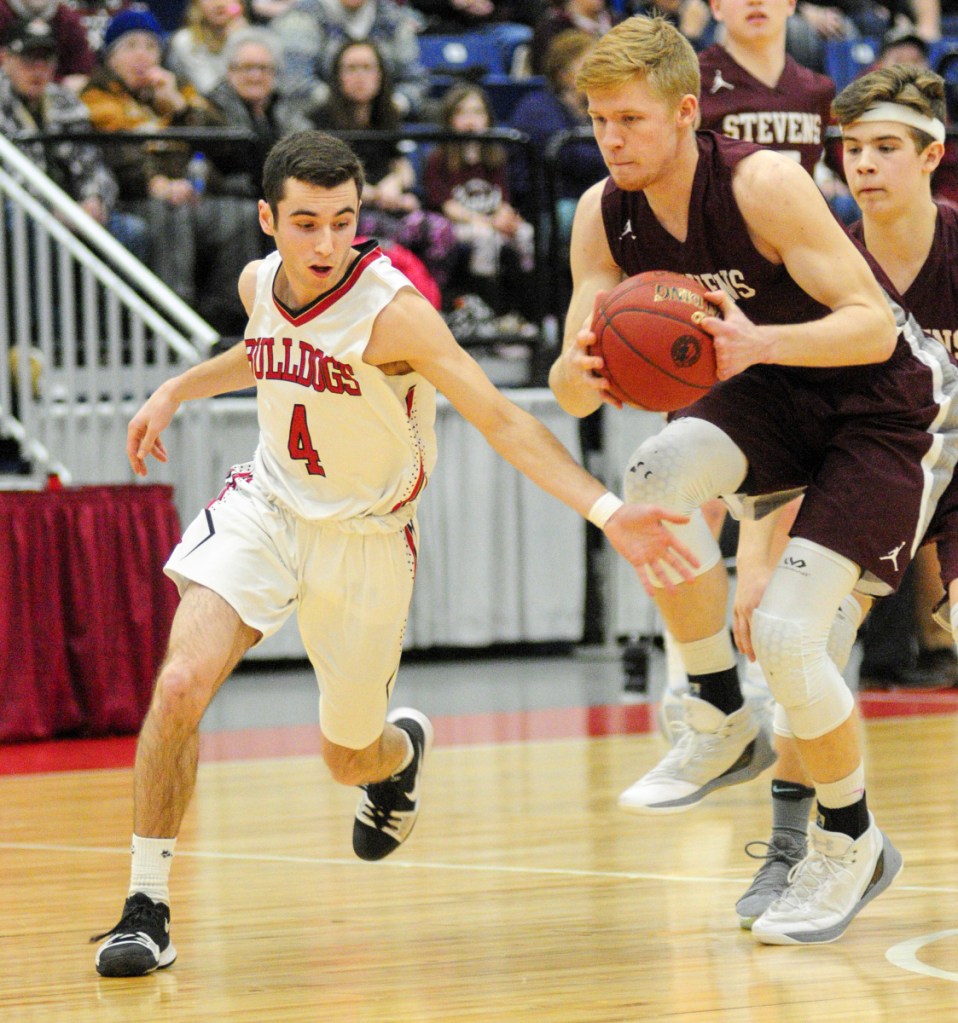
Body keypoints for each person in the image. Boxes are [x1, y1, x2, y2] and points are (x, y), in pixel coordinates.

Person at [89, 127, 697, 978]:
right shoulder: (258, 279)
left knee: (348, 756)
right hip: (267, 503)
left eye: (343, 220)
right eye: (305, 222)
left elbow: (502, 420)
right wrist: (176, 387)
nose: (327, 243)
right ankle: (144, 907)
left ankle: (398, 755)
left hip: (366, 539)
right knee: (182, 681)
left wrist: (608, 510)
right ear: (267, 218)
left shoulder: (394, 313)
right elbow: (263, 350)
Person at [551, 16, 958, 944]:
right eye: (598, 120)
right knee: (649, 476)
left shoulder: (762, 182)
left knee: (786, 635)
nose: (612, 139)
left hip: (881, 410)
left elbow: (872, 323)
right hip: (773, 393)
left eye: (630, 120)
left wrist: (755, 341)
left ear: (688, 112)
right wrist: (583, 366)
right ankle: (716, 707)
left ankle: (850, 840)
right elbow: (570, 389)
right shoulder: (599, 212)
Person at [732, 61, 958, 928]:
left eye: (886, 147)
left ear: (933, 155)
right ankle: (803, 844)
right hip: (865, 473)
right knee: (802, 644)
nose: (864, 163)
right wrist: (755, 561)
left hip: (954, 470)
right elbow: (771, 428)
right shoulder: (824, 260)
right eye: (852, 147)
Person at [81, 5, 263, 335]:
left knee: (240, 215)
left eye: (150, 46)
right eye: (131, 47)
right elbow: (114, 156)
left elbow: (225, 143)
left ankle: (228, 320)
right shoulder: (97, 96)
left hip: (189, 195)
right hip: (135, 198)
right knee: (172, 214)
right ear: (110, 57)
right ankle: (176, 322)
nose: (143, 56)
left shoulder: (179, 89)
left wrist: (179, 107)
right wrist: (157, 183)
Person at [305, 38, 456, 293]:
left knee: (440, 230)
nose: (360, 77)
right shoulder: (319, 120)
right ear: (337, 76)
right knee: (377, 232)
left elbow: (401, 165)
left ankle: (425, 303)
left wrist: (396, 184)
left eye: (367, 68)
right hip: (345, 213)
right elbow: (321, 180)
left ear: (381, 75)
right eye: (351, 69)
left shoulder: (389, 115)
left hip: (390, 205)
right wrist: (373, 194)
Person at [0, 18, 147, 259]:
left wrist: (95, 199)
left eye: (45, 59)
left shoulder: (66, 101)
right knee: (23, 223)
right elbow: (10, 181)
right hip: (27, 211)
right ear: (5, 58)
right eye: (28, 59)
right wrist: (54, 211)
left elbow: (95, 164)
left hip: (76, 210)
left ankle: (103, 298)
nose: (38, 69)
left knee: (133, 231)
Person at [423, 82, 537, 317]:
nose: (470, 120)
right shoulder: (439, 158)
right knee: (486, 239)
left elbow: (503, 199)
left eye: (477, 112)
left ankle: (527, 309)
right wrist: (487, 222)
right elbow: (446, 206)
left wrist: (506, 218)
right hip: (459, 225)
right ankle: (488, 308)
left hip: (491, 220)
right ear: (449, 119)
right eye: (462, 112)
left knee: (526, 234)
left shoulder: (496, 154)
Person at [271, 0, 426, 120]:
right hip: (315, 121)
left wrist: (393, 105)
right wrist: (346, 105)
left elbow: (416, 81)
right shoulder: (299, 18)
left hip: (382, 121)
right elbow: (295, 84)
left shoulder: (394, 18)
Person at [205, 26, 309, 201]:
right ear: (230, 71)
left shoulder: (284, 106)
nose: (255, 76)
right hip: (231, 202)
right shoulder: (212, 108)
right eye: (247, 68)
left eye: (263, 68)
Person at [0, 0, 96, 91]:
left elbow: (83, 74)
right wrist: (58, 82)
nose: (38, 68)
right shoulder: (3, 13)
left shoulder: (67, 20)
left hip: (57, 99)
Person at [166, 0, 249, 95]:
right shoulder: (186, 41)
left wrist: (241, 37)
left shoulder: (249, 36)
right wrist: (234, 41)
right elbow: (214, 92)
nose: (219, 4)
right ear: (196, 4)